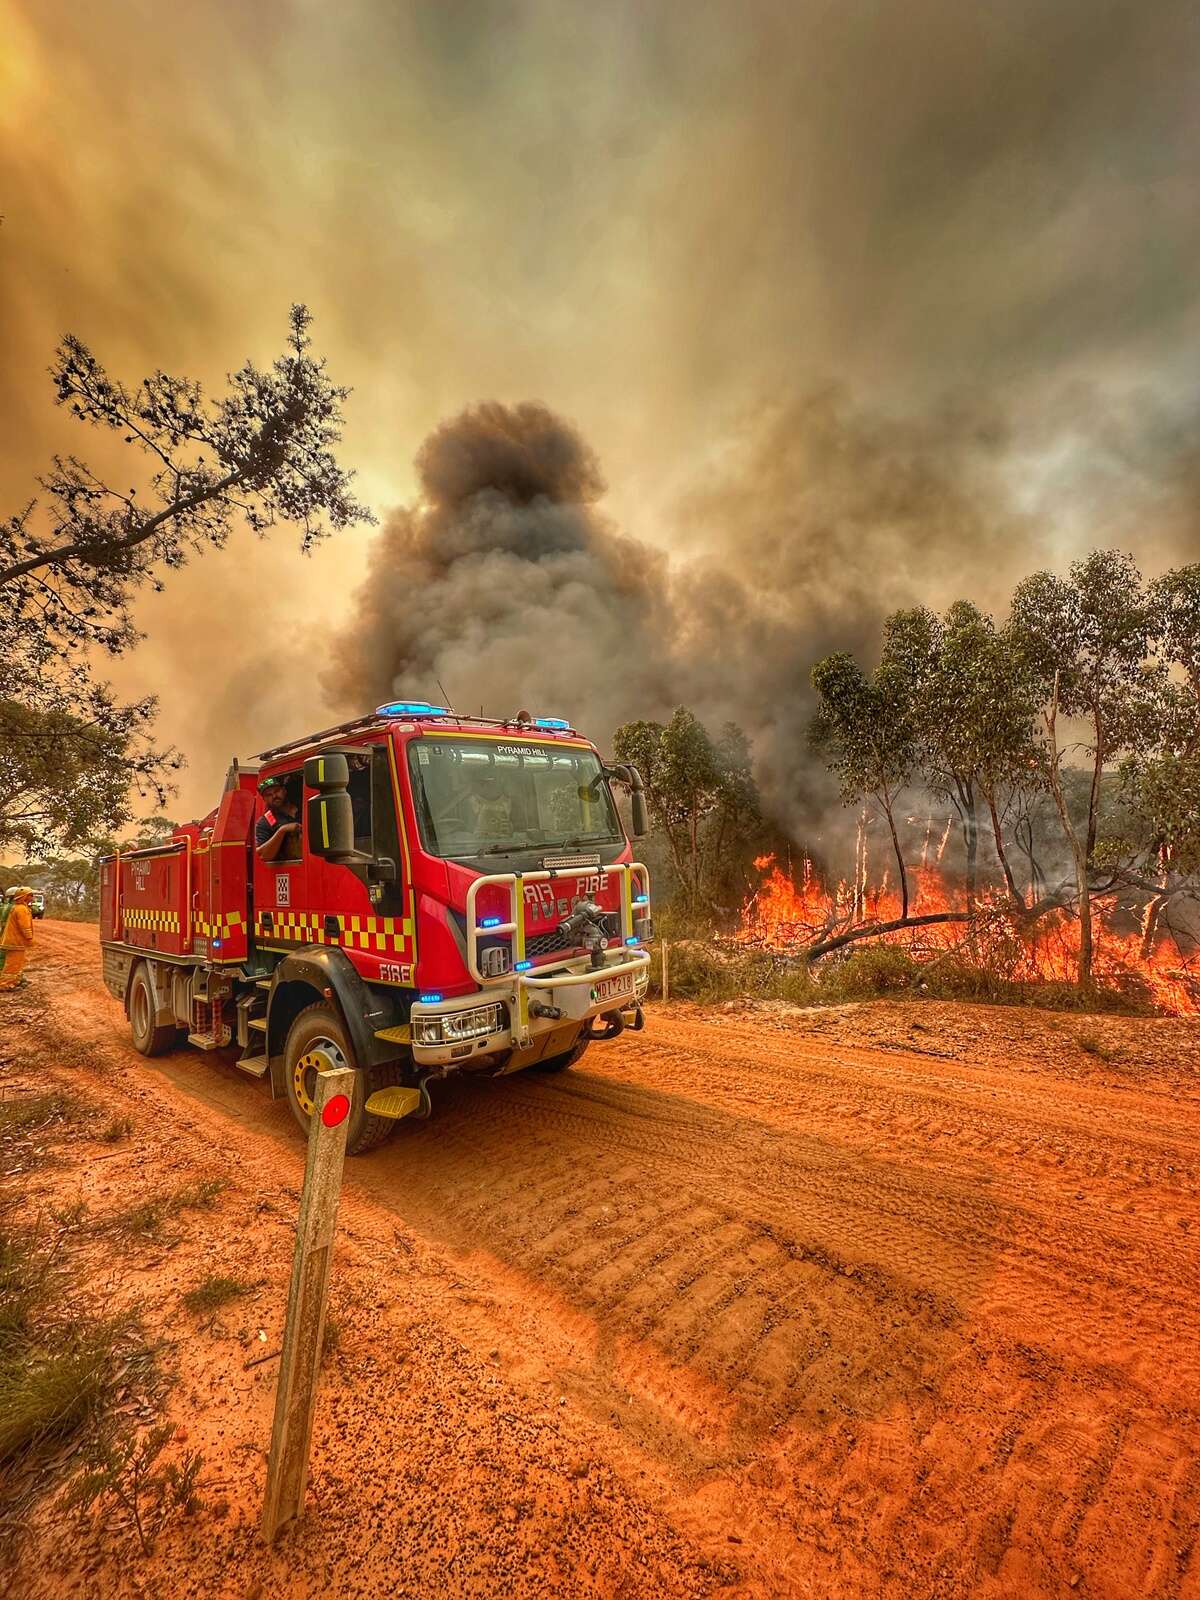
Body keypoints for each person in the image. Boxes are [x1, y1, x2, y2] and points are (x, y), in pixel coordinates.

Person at [255, 776, 302, 862]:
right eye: (268, 795)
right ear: (264, 799)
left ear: (284, 790)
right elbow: (263, 855)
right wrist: (281, 831)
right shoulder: (265, 822)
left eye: (277, 791)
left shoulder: (305, 807)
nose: (274, 796)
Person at [0, 886, 37, 992]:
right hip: (15, 941)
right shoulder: (21, 909)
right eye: (30, 895)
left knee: (16, 963)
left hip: (14, 941)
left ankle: (13, 982)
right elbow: (24, 926)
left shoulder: (18, 907)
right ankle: (5, 984)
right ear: (24, 897)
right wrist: (29, 938)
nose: (32, 898)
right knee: (13, 964)